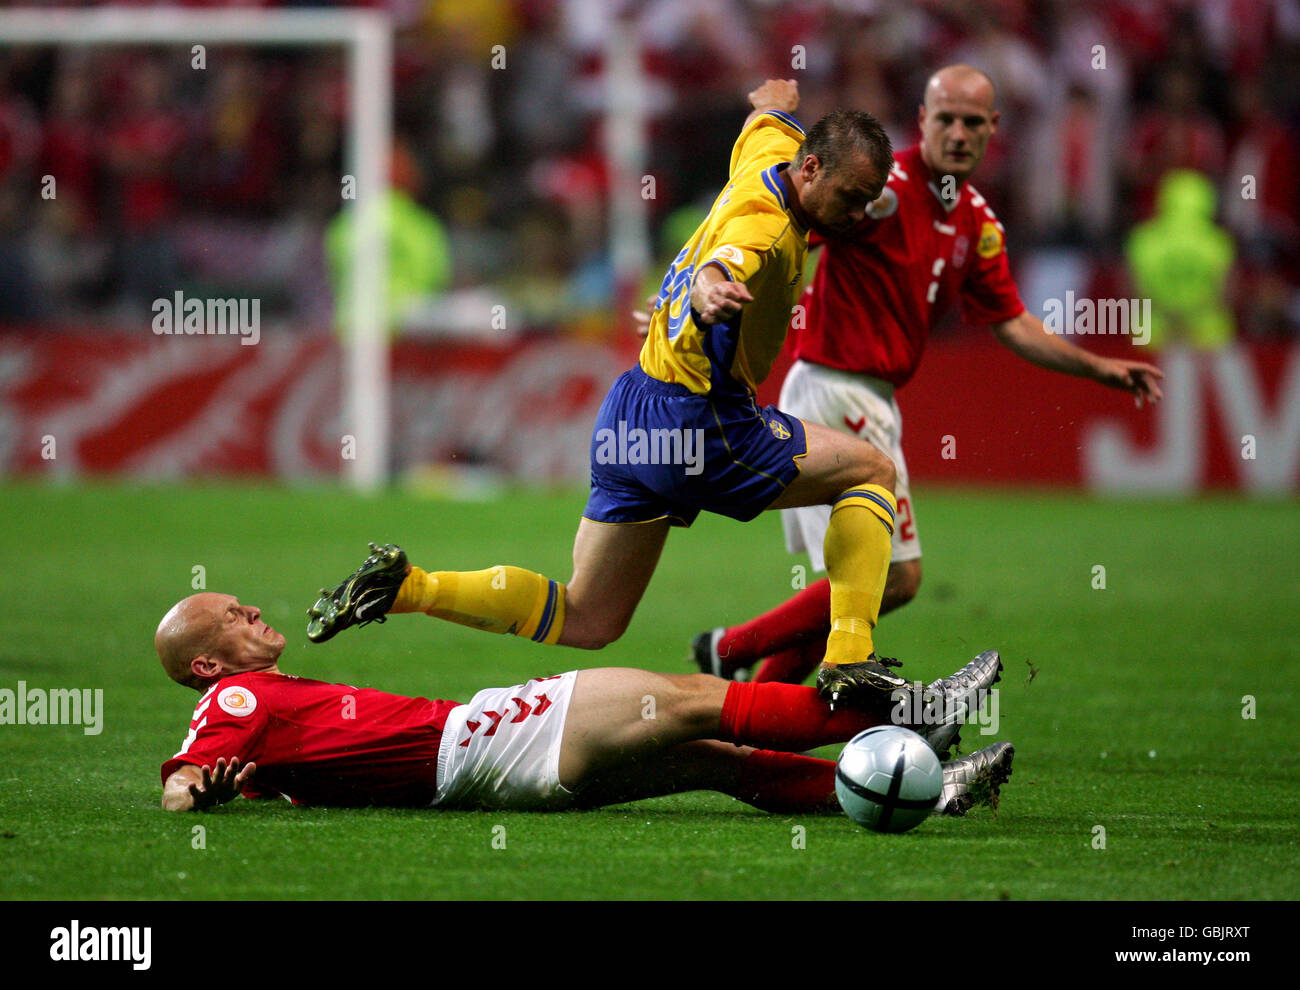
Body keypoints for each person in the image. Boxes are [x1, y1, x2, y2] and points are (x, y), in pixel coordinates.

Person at [309, 79, 906, 709]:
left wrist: (774, 100)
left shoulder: (768, 151)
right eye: (851, 197)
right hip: (703, 424)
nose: (858, 213)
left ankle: (410, 589)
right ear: (810, 169)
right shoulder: (766, 227)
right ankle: (849, 660)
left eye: (868, 201)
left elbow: (765, 118)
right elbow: (722, 266)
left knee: (590, 616)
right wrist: (706, 294)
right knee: (870, 471)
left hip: (633, 408)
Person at [686, 65, 1166, 685]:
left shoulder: (975, 223)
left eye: (973, 122)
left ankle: (753, 704)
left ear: (994, 128)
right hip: (834, 386)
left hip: (870, 396)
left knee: (858, 584)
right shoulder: (878, 190)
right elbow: (792, 225)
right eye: (946, 119)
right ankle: (731, 649)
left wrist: (1098, 367)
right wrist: (709, 284)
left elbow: (1012, 321)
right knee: (895, 577)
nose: (958, 133)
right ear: (923, 120)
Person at [155, 577, 1012, 815]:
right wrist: (193, 792)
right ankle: (914, 714)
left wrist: (232, 789)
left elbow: (263, 772)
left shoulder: (260, 732)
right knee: (693, 700)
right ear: (206, 667)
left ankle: (931, 794)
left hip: (492, 778)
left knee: (709, 763)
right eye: (230, 617)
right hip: (482, 741)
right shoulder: (236, 703)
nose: (252, 611)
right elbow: (185, 777)